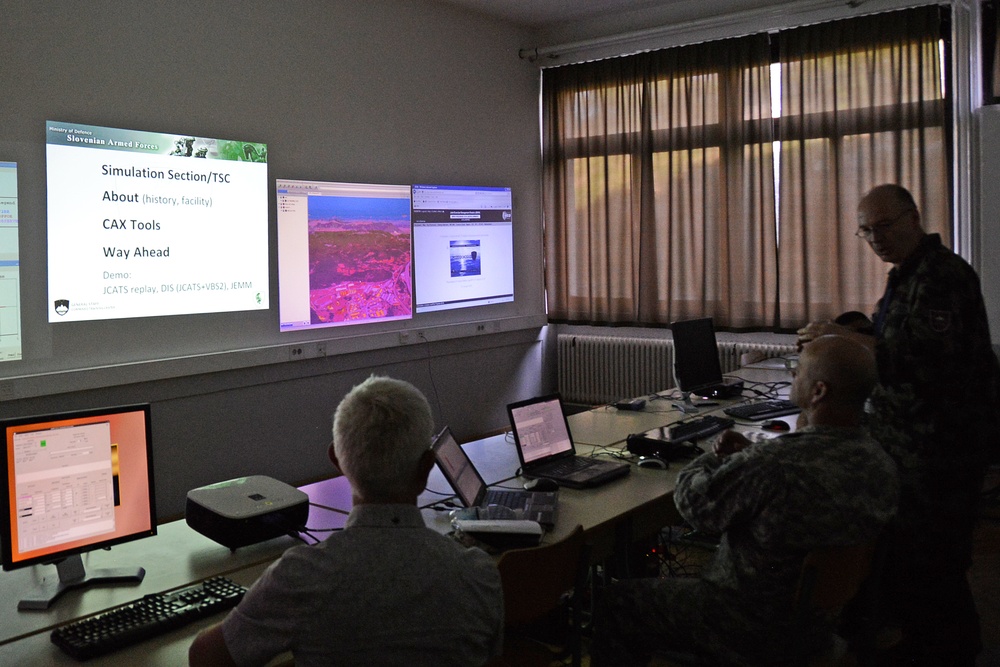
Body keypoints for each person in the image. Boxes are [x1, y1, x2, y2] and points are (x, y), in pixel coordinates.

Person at [589, 335, 899, 666]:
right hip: (817, 626)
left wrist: (712, 457)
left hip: (742, 623)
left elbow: (694, 506)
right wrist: (750, 459)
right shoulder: (880, 463)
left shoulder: (776, 464)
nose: (794, 375)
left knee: (615, 602)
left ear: (819, 391)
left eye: (800, 370)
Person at [797, 184, 1000, 665]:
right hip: (911, 446)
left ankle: (952, 650)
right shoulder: (906, 275)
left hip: (937, 451)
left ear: (913, 217)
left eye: (884, 226)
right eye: (866, 230)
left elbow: (921, 362)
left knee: (934, 562)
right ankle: (922, 639)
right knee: (916, 561)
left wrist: (841, 338)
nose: (875, 239)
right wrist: (852, 333)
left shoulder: (940, 276)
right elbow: (895, 338)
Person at [189, 376, 504, 667]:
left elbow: (205, 659)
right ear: (427, 468)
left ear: (338, 461)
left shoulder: (301, 577)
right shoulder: (477, 574)